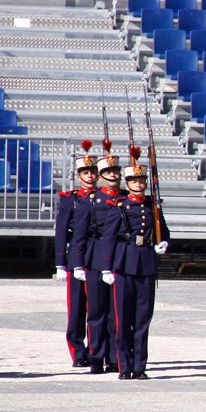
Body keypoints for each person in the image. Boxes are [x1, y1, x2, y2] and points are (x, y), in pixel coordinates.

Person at [97, 153, 170, 380]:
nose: (138, 185)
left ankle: (139, 366)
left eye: (141, 181)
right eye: (134, 182)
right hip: (124, 265)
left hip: (146, 265)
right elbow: (108, 239)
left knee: (142, 319)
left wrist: (164, 242)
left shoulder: (151, 207)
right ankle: (124, 365)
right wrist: (106, 268)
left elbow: (163, 231)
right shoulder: (119, 207)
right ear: (127, 184)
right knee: (123, 318)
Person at [67, 141, 125, 374]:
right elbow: (79, 234)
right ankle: (96, 356)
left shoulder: (125, 198)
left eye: (115, 171)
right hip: (94, 258)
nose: (113, 175)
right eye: (108, 172)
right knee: (97, 311)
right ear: (100, 177)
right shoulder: (90, 200)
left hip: (119, 258)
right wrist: (77, 263)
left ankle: (113, 357)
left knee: (115, 312)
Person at [55, 140, 100, 368]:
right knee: (76, 308)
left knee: (97, 306)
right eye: (85, 172)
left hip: (98, 255)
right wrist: (61, 264)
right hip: (77, 256)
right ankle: (77, 350)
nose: (90, 176)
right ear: (78, 175)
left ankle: (96, 350)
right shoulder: (70, 199)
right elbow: (62, 232)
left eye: (93, 171)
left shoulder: (104, 197)